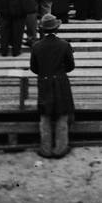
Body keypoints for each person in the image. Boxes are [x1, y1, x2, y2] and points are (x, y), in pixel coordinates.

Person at [30, 14, 76, 159]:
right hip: (60, 81)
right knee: (62, 115)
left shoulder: (36, 46)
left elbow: (34, 68)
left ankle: (45, 148)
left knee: (45, 116)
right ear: (57, 28)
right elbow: (71, 66)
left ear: (42, 30)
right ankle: (60, 148)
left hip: (44, 82)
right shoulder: (64, 45)